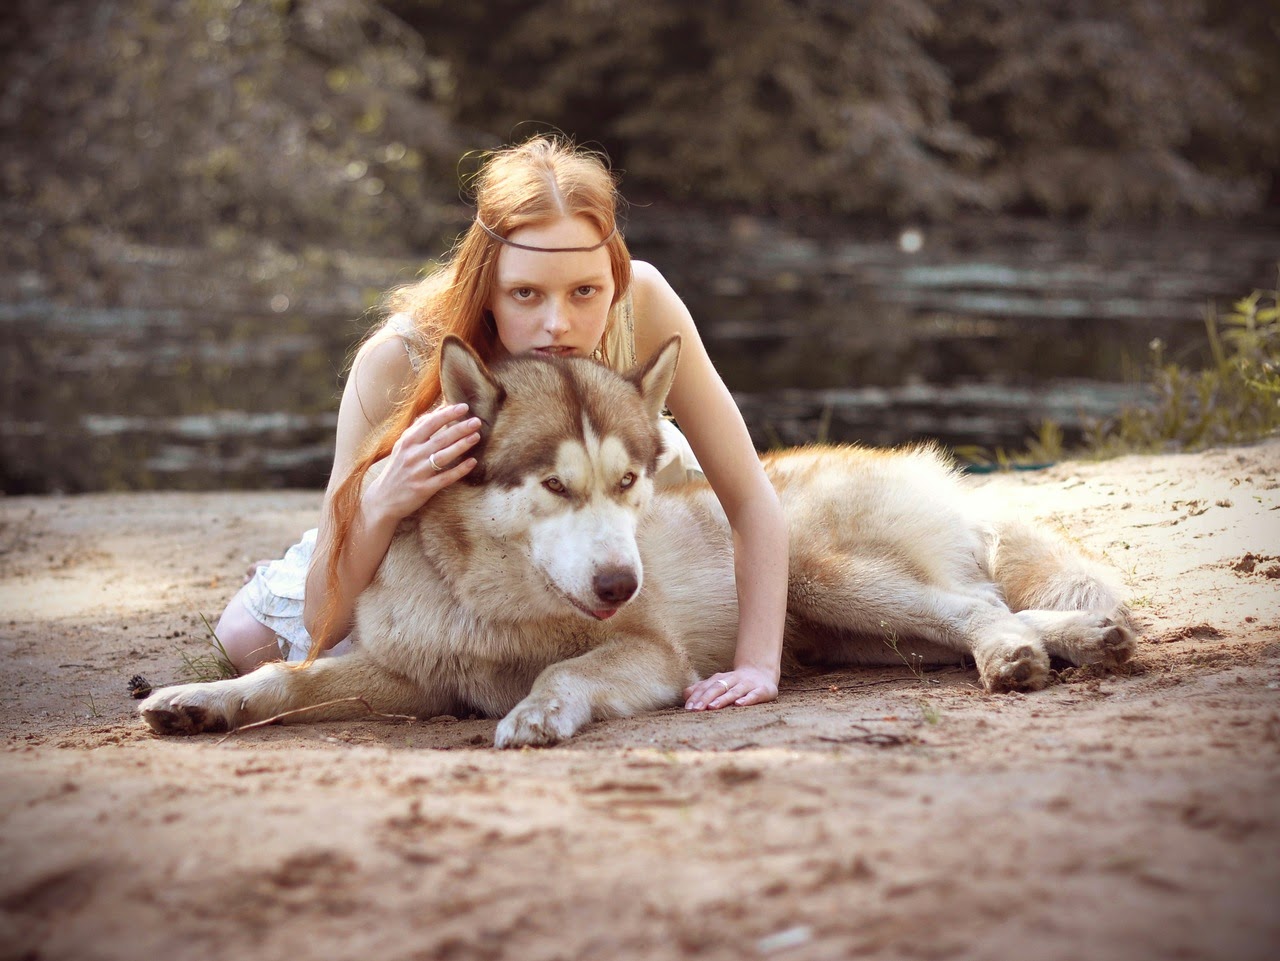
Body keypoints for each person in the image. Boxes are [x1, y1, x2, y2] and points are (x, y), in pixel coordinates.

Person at [215, 136, 788, 712]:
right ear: (486, 287)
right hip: (435, 544)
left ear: (616, 279)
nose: (557, 323)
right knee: (246, 640)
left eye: (585, 291)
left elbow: (750, 499)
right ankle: (294, 560)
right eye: (525, 293)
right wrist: (384, 499)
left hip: (626, 495)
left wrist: (758, 664)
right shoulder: (398, 359)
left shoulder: (644, 301)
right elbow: (323, 619)